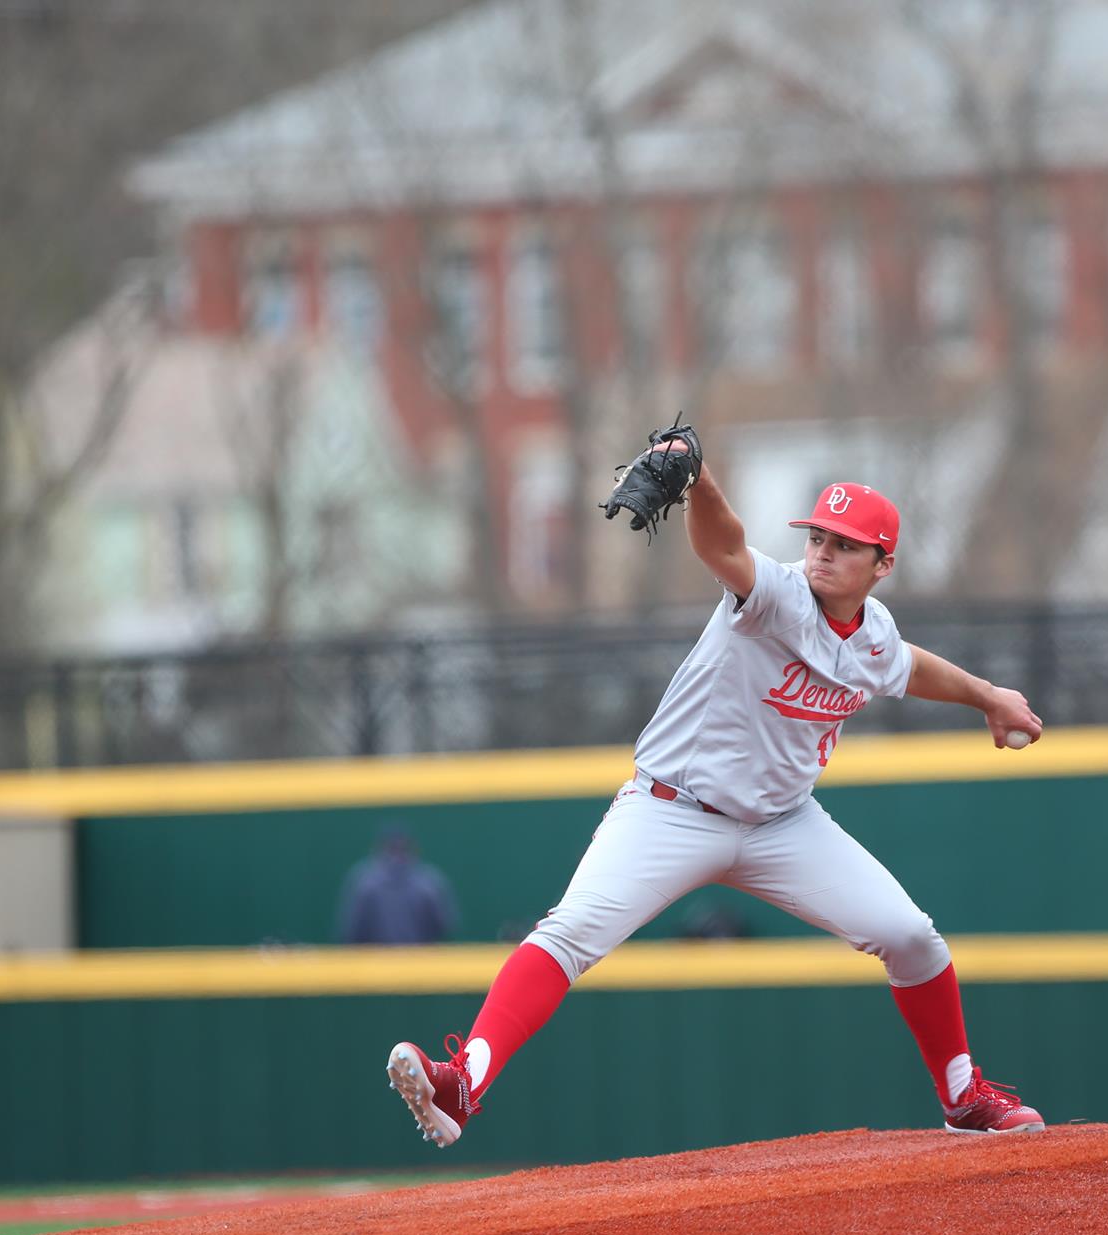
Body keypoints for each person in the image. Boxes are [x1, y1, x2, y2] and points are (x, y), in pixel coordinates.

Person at [387, 432, 1045, 1147]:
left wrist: (987, 696)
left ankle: (962, 1098)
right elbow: (723, 548)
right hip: (672, 810)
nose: (823, 551)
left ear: (883, 564)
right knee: (569, 933)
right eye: (818, 535)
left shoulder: (874, 634)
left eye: (846, 544)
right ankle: (462, 1081)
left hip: (783, 825)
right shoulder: (776, 595)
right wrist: (699, 481)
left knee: (913, 937)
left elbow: (907, 666)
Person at [337, 823, 460, 945]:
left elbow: (352, 930)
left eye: (401, 849)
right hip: (404, 959)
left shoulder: (364, 881)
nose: (396, 857)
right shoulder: (428, 881)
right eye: (393, 849)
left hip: (402, 959)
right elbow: (444, 925)